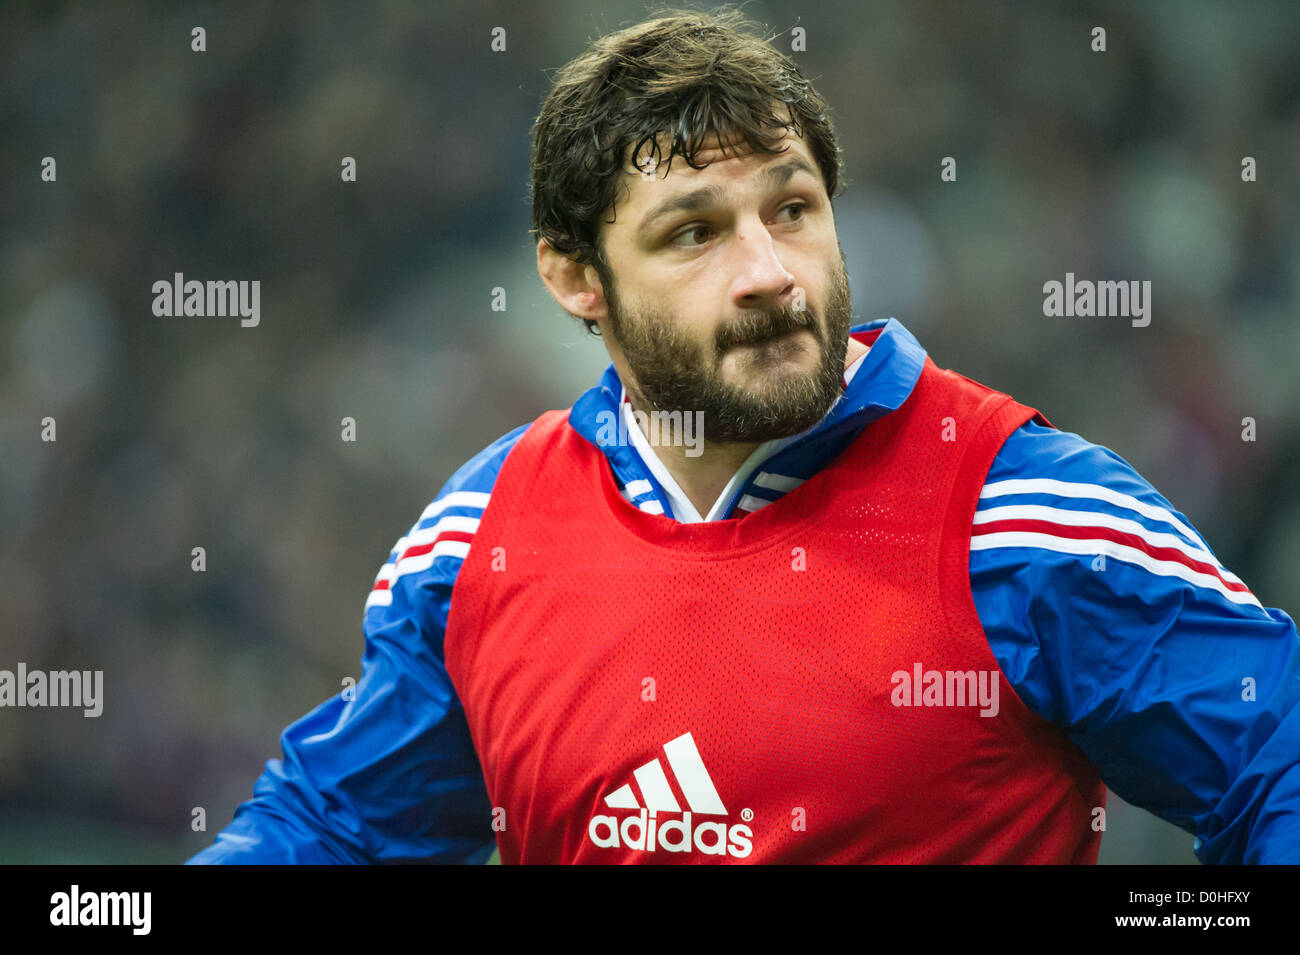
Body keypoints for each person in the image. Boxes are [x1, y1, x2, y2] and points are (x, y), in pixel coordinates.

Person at [189, 8, 1300, 864]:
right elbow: (336, 831)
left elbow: (1276, 758)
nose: (768, 272)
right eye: (694, 234)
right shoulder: (483, 541)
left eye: (793, 209)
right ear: (576, 278)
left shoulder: (1025, 515)